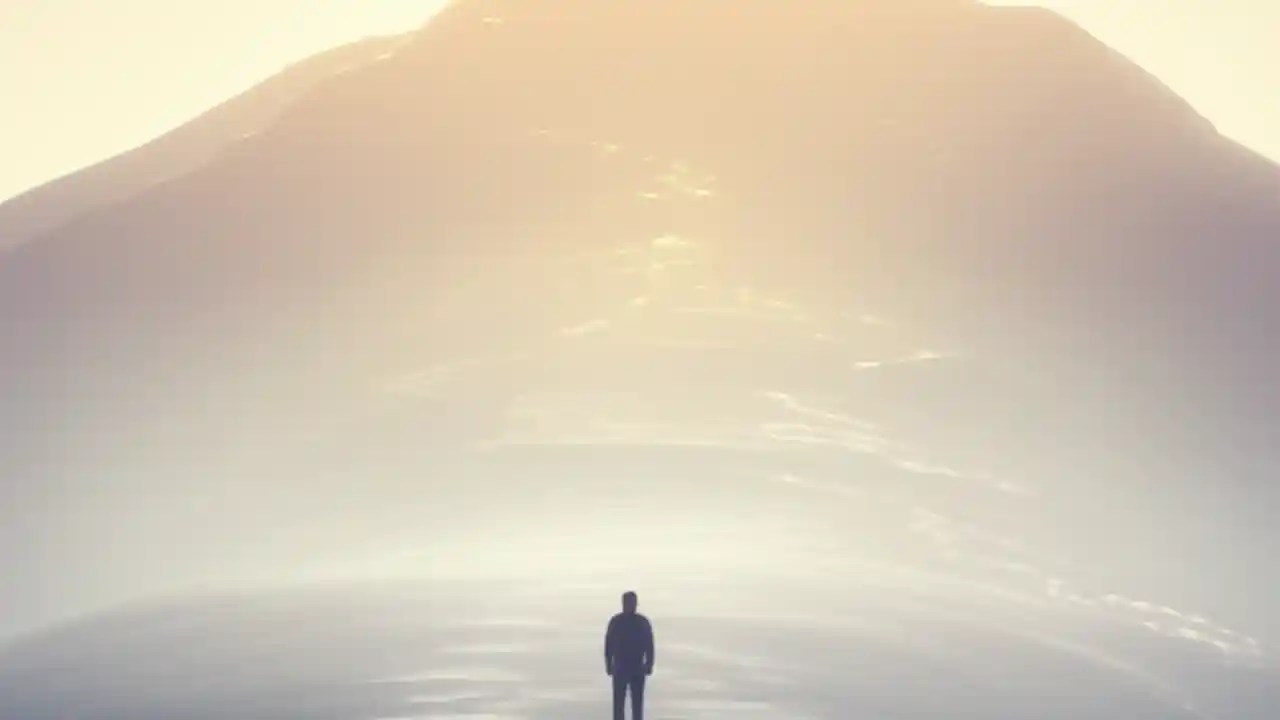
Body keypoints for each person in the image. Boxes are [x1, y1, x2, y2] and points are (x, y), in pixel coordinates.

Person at [604, 590, 655, 720]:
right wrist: (608, 664)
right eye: (628, 603)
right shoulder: (616, 622)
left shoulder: (642, 622)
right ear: (623, 604)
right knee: (618, 706)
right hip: (620, 667)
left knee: (637, 705)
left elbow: (649, 645)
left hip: (637, 667)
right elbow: (608, 644)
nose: (630, 606)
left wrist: (649, 664)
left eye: (632, 603)